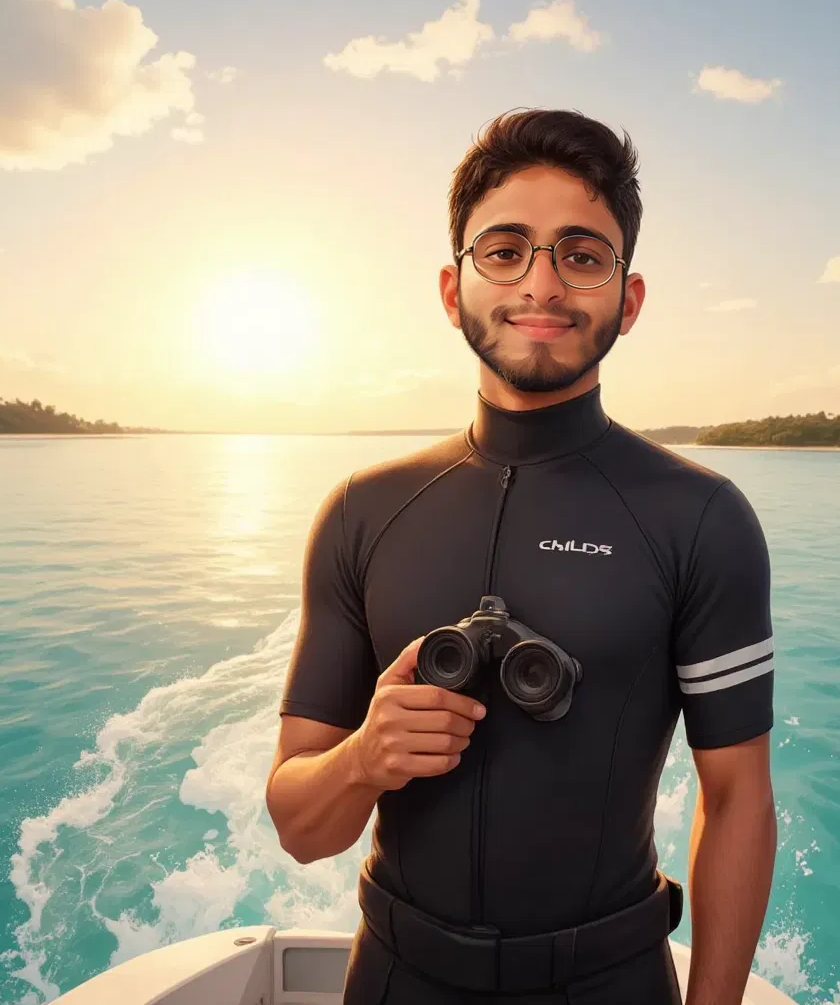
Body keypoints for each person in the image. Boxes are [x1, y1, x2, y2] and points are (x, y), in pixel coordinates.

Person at [266, 108, 778, 1005]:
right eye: (505, 250)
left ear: (629, 296)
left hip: (609, 981)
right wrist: (363, 760)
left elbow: (736, 800)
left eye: (582, 255)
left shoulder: (699, 518)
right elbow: (302, 828)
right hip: (394, 980)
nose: (542, 284)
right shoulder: (362, 512)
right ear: (450, 286)